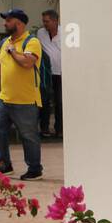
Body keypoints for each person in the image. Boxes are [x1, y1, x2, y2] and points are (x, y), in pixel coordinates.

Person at [0, 8, 44, 180]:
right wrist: (1, 87)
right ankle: (4, 165)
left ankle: (35, 169)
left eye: (8, 20)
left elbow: (28, 63)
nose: (5, 23)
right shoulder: (4, 42)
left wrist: (13, 52)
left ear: (19, 23)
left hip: (25, 100)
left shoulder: (32, 41)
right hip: (4, 98)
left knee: (28, 135)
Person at [37, 8, 63, 138]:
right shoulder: (40, 33)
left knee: (60, 101)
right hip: (46, 73)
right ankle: (44, 129)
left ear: (55, 21)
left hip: (61, 73)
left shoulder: (65, 33)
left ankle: (60, 129)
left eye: (47, 21)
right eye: (43, 21)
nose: (44, 24)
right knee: (44, 101)